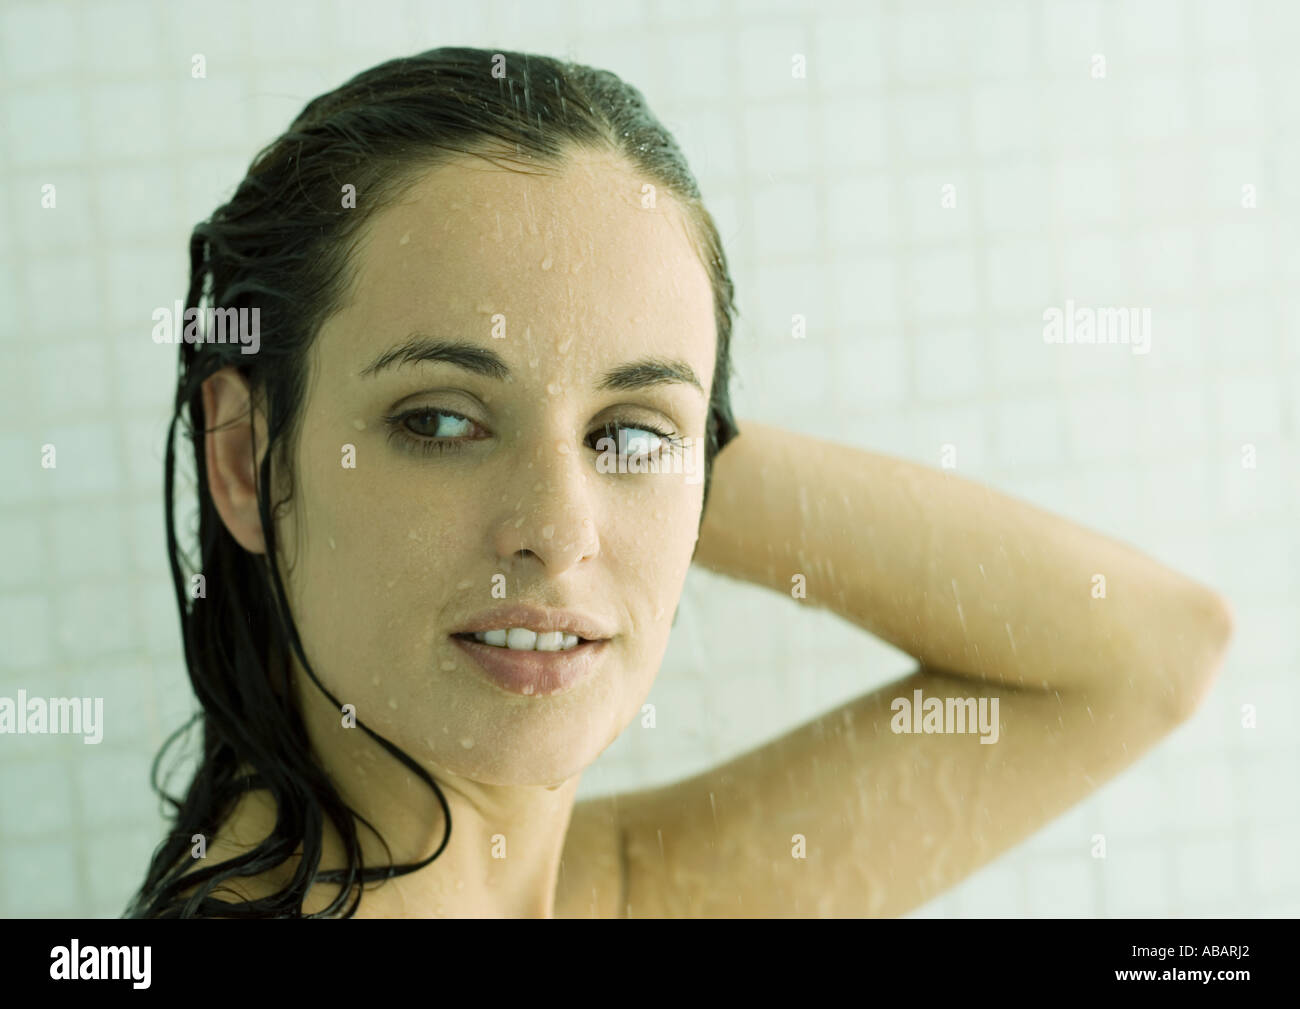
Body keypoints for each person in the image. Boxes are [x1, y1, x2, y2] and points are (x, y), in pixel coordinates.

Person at [124, 46, 1234, 919]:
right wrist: (629, 428)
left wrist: (667, 443)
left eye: (630, 434)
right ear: (246, 460)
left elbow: (1145, 650)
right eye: (442, 420)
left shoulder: (609, 890)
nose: (559, 533)